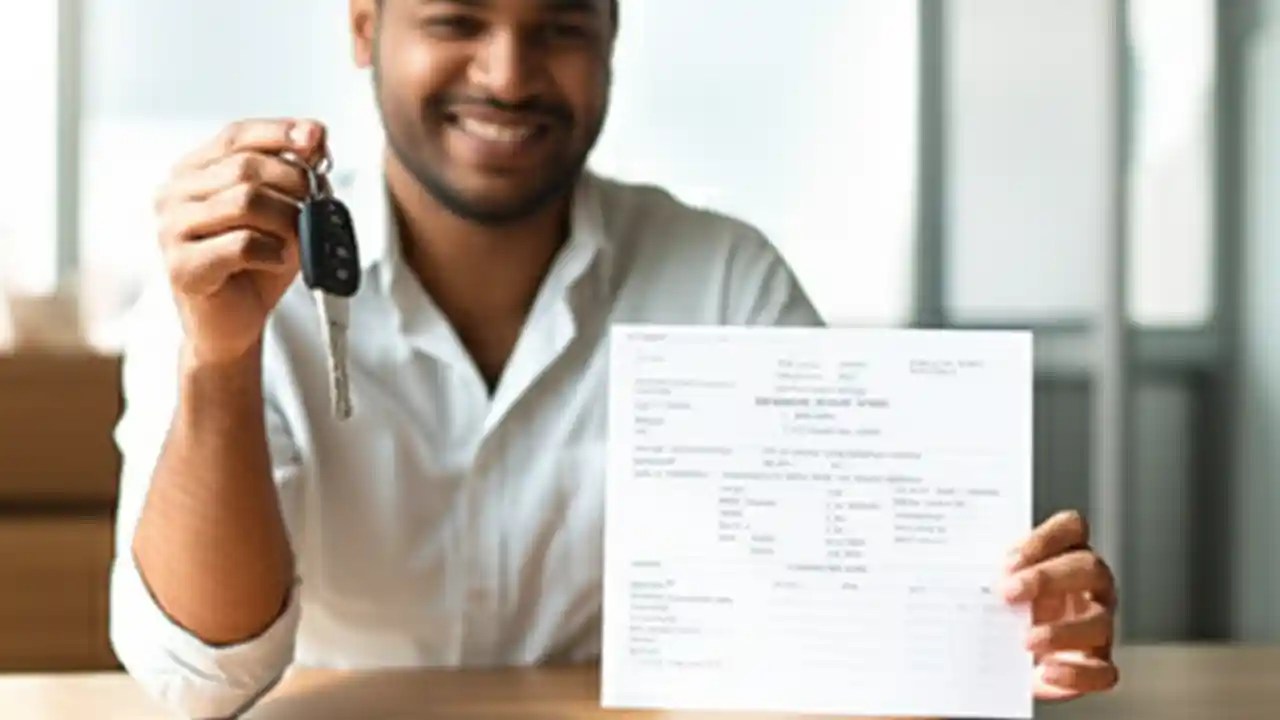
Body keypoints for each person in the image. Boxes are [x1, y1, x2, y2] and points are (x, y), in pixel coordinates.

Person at [109, 0, 1119, 716]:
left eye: (558, 27)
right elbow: (204, 678)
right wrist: (218, 361)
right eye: (459, 20)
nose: (507, 75)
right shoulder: (229, 280)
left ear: (611, 39)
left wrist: (1000, 627)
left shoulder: (721, 276)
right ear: (365, 27)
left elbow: (839, 618)